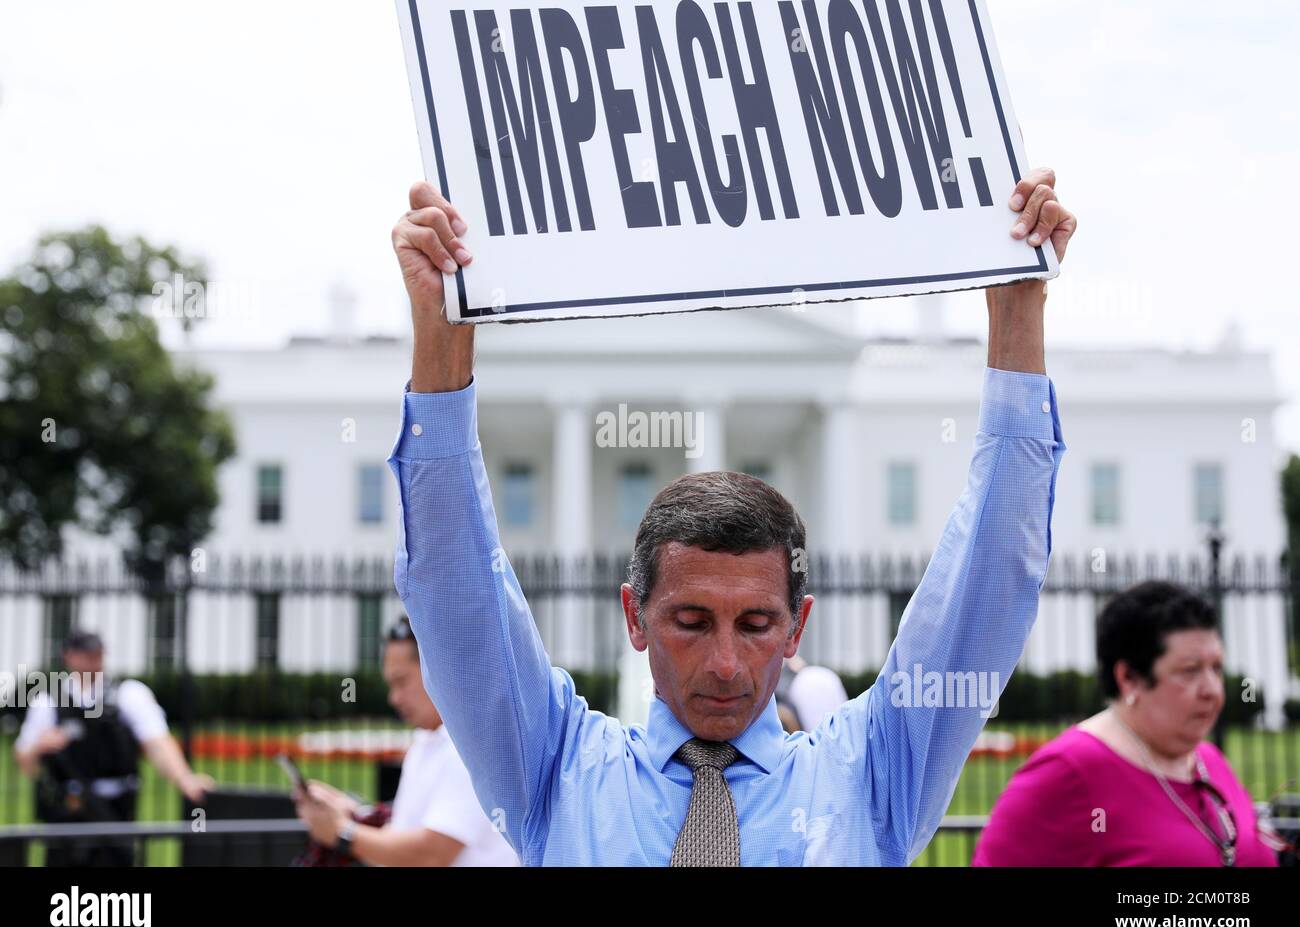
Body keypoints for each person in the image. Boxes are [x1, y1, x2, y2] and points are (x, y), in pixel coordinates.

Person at [386, 168, 1074, 865]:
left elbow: (988, 584)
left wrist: (1017, 311)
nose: (724, 664)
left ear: (797, 626)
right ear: (634, 616)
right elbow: (454, 587)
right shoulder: (554, 769)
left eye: (756, 625)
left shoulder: (869, 775)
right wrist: (441, 339)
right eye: (689, 622)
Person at [972, 581, 1281, 867]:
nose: (1212, 689)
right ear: (1129, 678)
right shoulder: (1068, 771)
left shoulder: (1209, 760)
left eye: (1216, 668)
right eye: (1190, 671)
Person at [294, 618, 518, 867]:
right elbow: (404, 832)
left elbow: (431, 855)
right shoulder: (427, 740)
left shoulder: (469, 748)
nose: (393, 698)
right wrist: (353, 813)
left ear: (436, 669)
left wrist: (343, 832)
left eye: (400, 681)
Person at [13, 630, 213, 866]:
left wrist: (184, 778)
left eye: (97, 655)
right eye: (86, 655)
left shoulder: (127, 694)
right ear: (69, 657)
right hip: (67, 810)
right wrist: (39, 746)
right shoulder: (47, 701)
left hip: (116, 809)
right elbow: (25, 761)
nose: (93, 661)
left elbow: (157, 741)